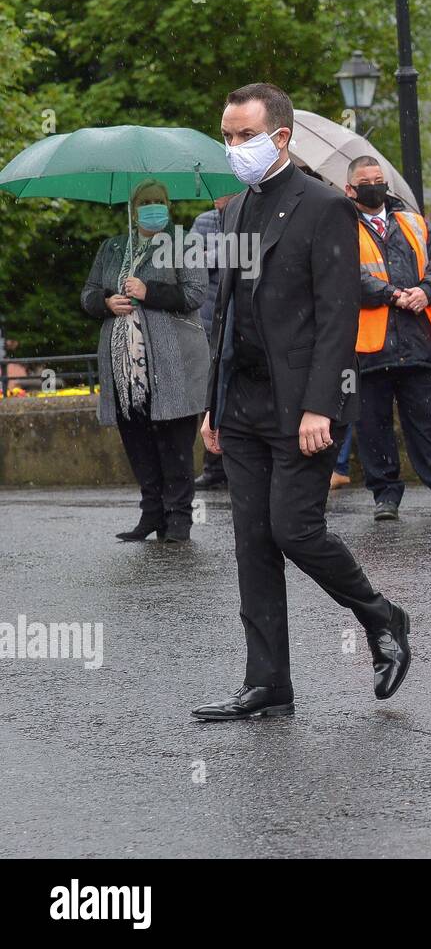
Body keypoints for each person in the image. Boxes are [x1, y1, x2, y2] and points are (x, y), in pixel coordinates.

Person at [192, 83, 410, 721]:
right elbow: (224, 318)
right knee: (252, 542)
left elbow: (338, 315)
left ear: (279, 137)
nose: (234, 148)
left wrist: (321, 405)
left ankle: (381, 614)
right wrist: (212, 404)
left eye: (244, 137)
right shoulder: (233, 211)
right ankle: (267, 683)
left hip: (305, 404)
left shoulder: (324, 208)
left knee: (294, 530)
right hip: (243, 402)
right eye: (228, 137)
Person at [346, 155, 431, 520]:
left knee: (427, 425)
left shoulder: (415, 223)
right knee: (373, 427)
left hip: (418, 342)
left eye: (379, 178)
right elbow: (345, 277)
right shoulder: (340, 226)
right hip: (368, 348)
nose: (375, 185)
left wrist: (425, 291)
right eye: (366, 180)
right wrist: (392, 294)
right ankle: (386, 499)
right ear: (350, 189)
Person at [80, 179, 208, 543]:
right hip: (124, 368)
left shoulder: (185, 243)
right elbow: (87, 293)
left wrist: (149, 291)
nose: (154, 207)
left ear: (169, 204)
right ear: (133, 209)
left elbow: (195, 293)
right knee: (137, 441)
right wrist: (105, 301)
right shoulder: (112, 248)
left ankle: (179, 517)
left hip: (174, 363)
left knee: (175, 443)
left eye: (160, 201)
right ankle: (152, 513)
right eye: (146, 202)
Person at [192, 193, 233, 490]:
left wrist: (214, 255)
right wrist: (222, 254)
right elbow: (190, 263)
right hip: (208, 321)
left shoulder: (248, 217)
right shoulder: (203, 222)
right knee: (210, 396)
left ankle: (235, 465)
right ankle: (213, 468)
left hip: (237, 316)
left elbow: (246, 259)